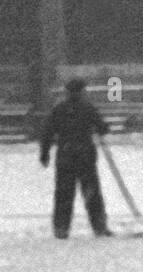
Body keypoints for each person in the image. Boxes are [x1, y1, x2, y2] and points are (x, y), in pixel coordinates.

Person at [39, 78, 112, 239]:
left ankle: (61, 228)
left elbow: (47, 133)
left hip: (65, 156)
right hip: (85, 156)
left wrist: (44, 153)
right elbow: (102, 127)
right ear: (82, 91)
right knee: (92, 193)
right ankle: (99, 226)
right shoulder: (88, 108)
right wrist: (104, 128)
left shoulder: (59, 109)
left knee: (63, 194)